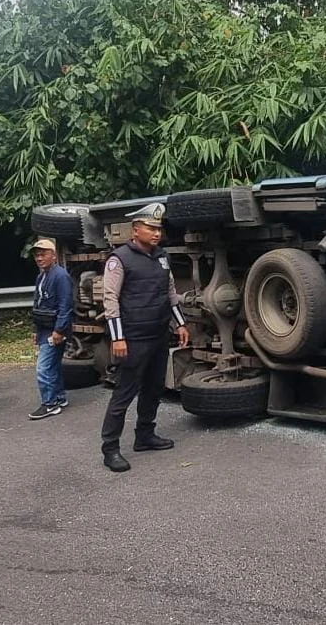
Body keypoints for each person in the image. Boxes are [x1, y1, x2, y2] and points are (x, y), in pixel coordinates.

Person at [99, 202, 190, 472]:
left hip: (159, 335)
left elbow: (170, 292)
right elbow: (110, 300)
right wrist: (118, 338)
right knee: (124, 395)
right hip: (133, 338)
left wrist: (181, 324)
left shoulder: (162, 257)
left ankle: (145, 435)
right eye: (150, 228)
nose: (156, 233)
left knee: (153, 389)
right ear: (135, 230)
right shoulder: (119, 259)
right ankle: (110, 448)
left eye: (158, 228)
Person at [28, 238, 74, 420]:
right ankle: (59, 397)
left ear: (53, 255)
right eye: (37, 255)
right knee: (53, 365)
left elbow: (66, 304)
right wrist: (35, 329)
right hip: (44, 327)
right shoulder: (42, 275)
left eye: (43, 254)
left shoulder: (60, 276)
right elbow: (38, 303)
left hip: (55, 328)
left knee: (43, 367)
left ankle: (50, 403)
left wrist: (59, 330)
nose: (39, 258)